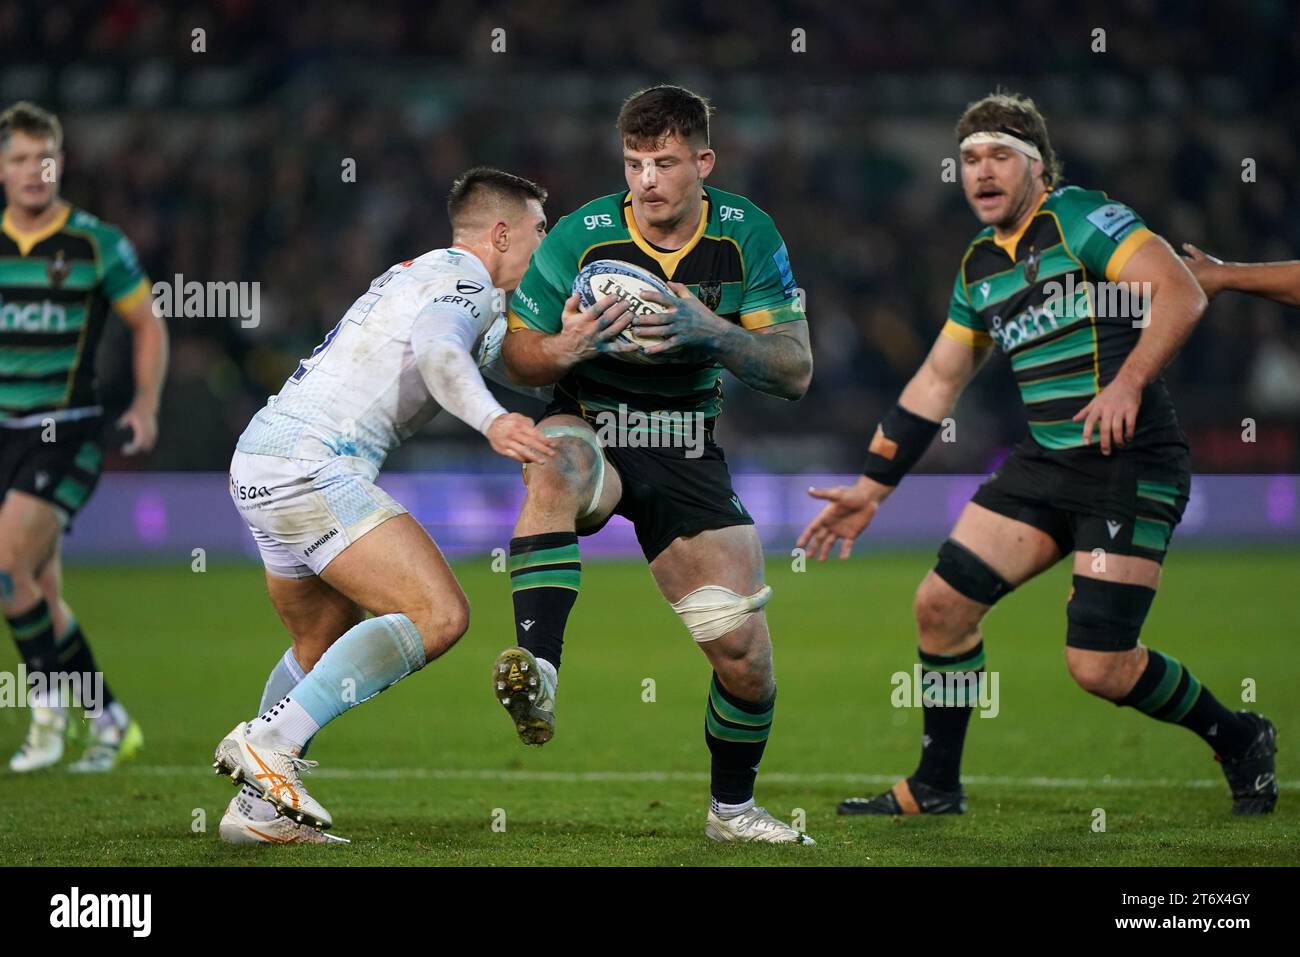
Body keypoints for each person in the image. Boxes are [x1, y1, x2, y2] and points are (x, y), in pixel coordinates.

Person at [798, 92, 1278, 818]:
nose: (981, 172)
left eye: (998, 156)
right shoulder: (979, 266)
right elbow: (937, 379)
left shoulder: (1080, 217)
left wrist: (1126, 383)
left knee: (1101, 666)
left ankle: (1239, 735)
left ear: (1037, 167)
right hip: (1048, 462)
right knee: (941, 604)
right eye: (967, 160)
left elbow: (1180, 292)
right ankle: (936, 784)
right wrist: (873, 485)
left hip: (1131, 458)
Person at [493, 85, 815, 844]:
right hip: (592, 421)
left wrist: (713, 332)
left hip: (683, 441)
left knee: (745, 657)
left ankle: (732, 812)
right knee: (553, 463)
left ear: (703, 161)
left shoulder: (748, 235)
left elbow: (795, 369)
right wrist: (564, 346)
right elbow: (514, 355)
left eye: (665, 163)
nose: (646, 181)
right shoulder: (581, 236)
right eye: (634, 163)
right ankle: (538, 673)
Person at [212, 168, 556, 843]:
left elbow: (508, 359)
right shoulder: (464, 283)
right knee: (439, 613)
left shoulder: (428, 276)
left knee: (321, 639)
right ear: (502, 232)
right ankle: (270, 743)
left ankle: (258, 814)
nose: (547, 243)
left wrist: (582, 345)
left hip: (261, 458)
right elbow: (437, 352)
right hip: (310, 465)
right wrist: (492, 422)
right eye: (541, 229)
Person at [0, 101, 167, 773]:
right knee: (39, 590)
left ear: (60, 164)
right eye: (17, 159)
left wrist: (147, 403)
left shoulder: (96, 242)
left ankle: (47, 720)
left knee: (7, 566)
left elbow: (147, 323)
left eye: (44, 159)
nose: (33, 171)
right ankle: (111, 720)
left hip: (65, 434)